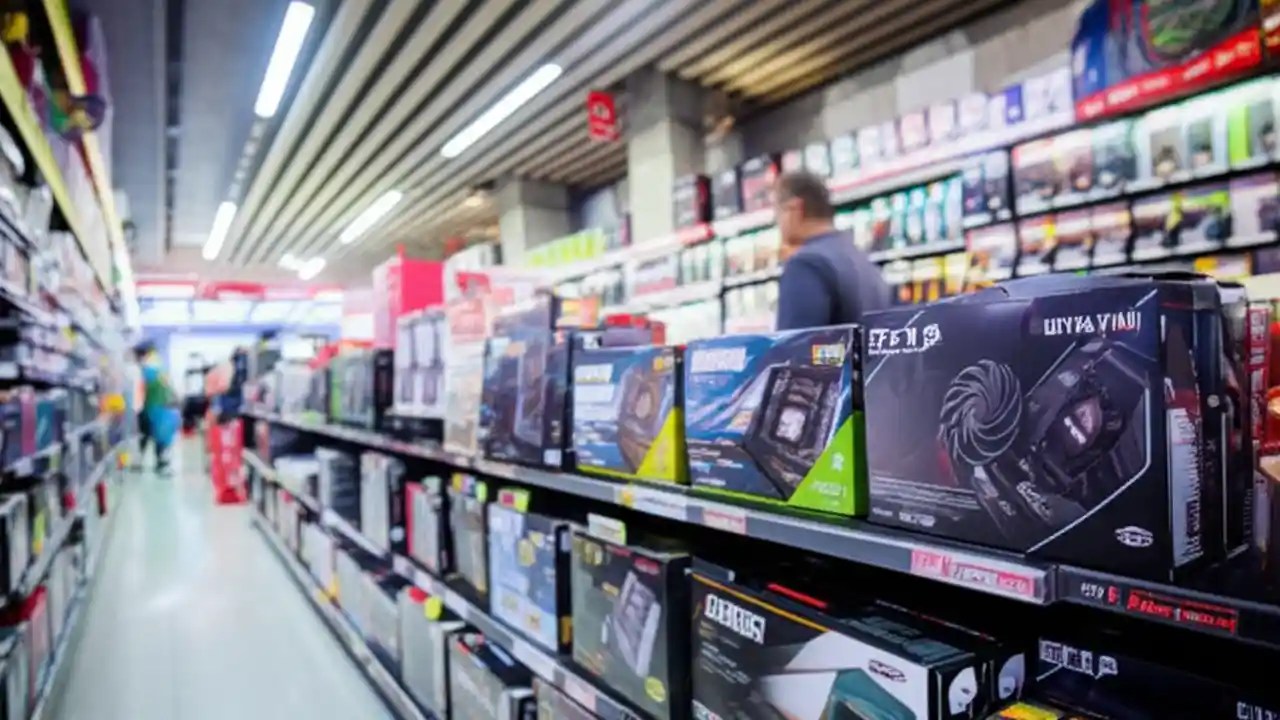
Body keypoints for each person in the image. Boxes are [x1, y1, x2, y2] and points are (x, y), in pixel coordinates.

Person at [773, 171, 890, 329]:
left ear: (795, 208)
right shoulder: (860, 258)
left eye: (778, 212)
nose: (777, 222)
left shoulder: (805, 265)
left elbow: (795, 348)